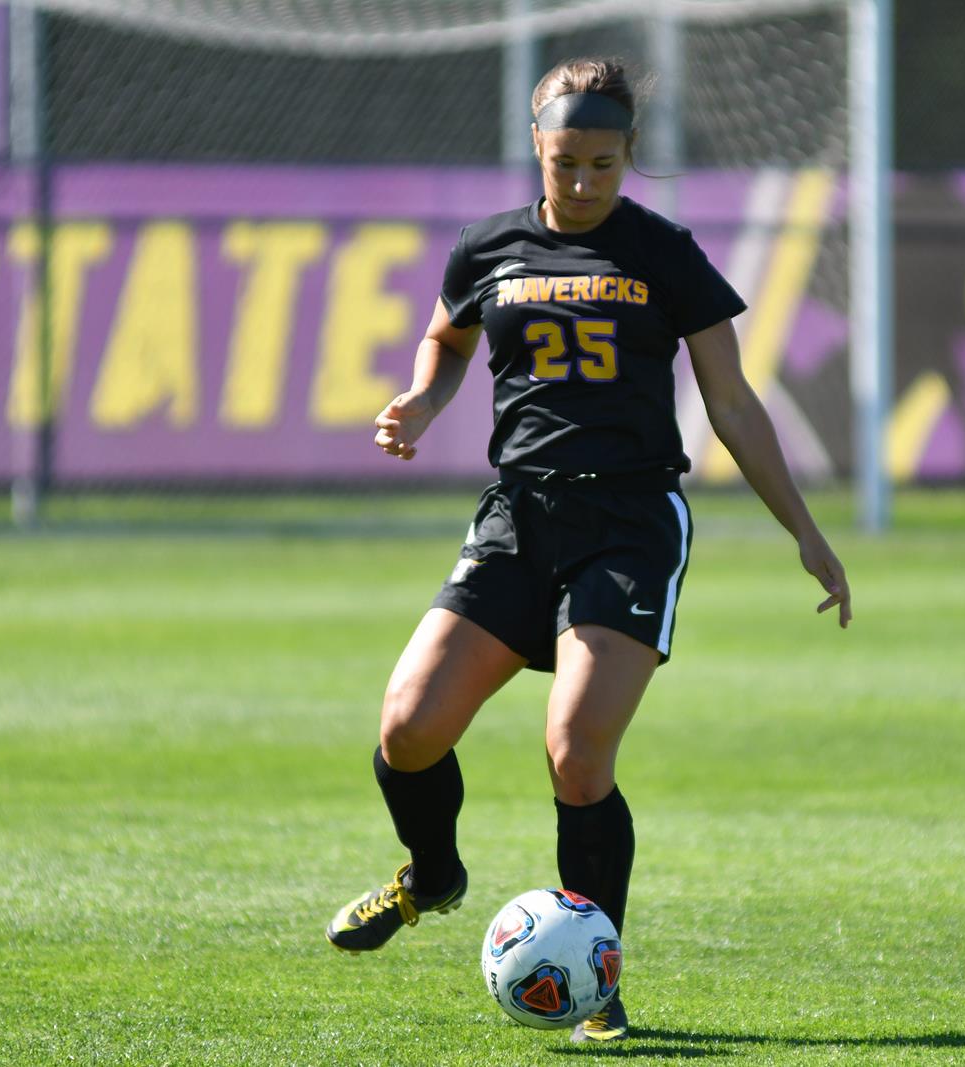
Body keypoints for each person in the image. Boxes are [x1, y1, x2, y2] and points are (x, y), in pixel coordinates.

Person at [325, 56, 851, 1043]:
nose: (583, 182)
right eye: (567, 161)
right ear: (538, 144)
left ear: (628, 157)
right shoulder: (489, 247)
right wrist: (423, 400)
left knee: (574, 751)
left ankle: (598, 984)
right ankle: (431, 876)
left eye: (604, 164)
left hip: (628, 522)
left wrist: (805, 532)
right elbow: (447, 341)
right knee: (407, 728)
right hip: (518, 515)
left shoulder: (664, 251)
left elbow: (731, 401)